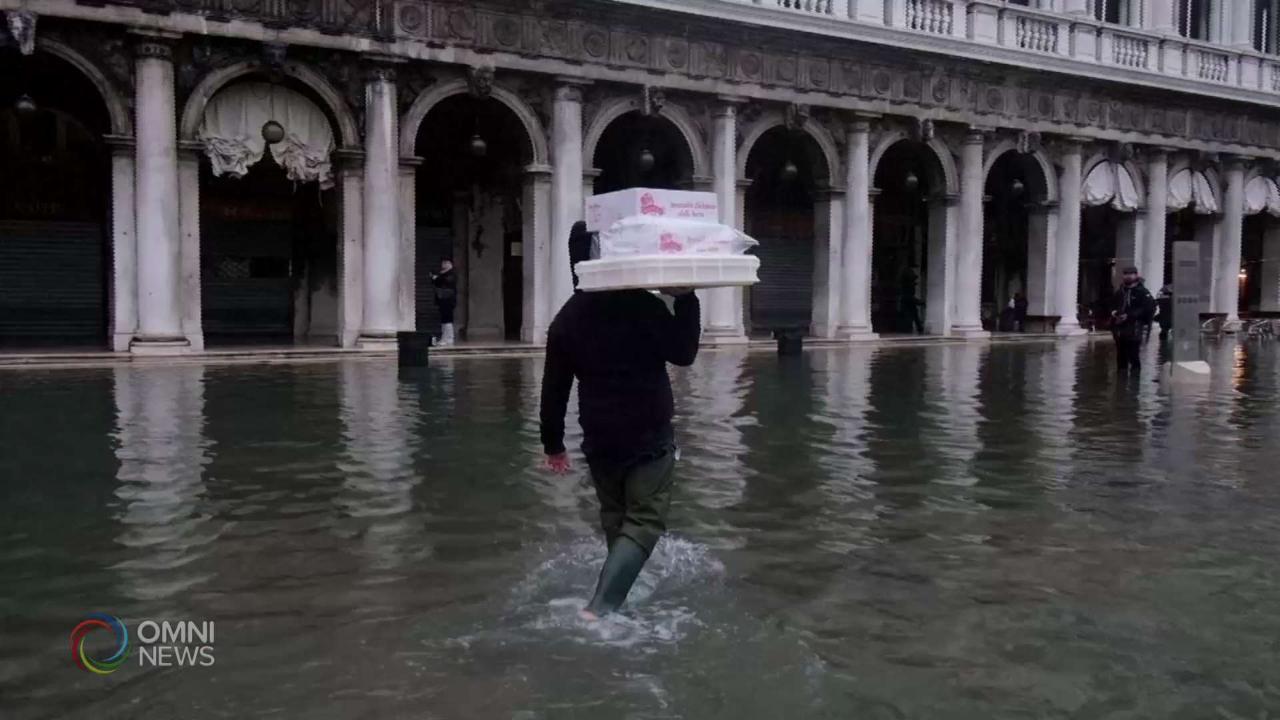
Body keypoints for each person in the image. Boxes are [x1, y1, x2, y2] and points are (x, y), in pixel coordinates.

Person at [540, 221, 701, 620]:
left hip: (599, 437)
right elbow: (684, 353)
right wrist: (685, 299)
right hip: (648, 433)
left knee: (616, 518)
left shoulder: (566, 319)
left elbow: (554, 389)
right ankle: (599, 608)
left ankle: (618, 603)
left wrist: (553, 444)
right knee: (645, 520)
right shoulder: (641, 303)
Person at [1110, 266, 1155, 374]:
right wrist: (1114, 312)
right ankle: (1121, 385)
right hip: (1119, 329)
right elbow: (1112, 305)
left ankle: (1134, 385)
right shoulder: (1120, 291)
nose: (1128, 276)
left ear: (1136, 275)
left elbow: (1148, 308)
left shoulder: (1143, 292)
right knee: (1121, 357)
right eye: (1126, 274)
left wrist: (1130, 316)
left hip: (1135, 328)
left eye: (1131, 274)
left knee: (1134, 356)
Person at [431, 258, 457, 346]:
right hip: (442, 300)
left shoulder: (451, 274)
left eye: (445, 263)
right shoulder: (443, 274)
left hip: (448, 300)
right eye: (443, 263)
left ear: (450, 264)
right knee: (444, 319)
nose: (443, 264)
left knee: (447, 319)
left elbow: (447, 282)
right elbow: (437, 283)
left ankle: (449, 338)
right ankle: (445, 337)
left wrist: (437, 278)